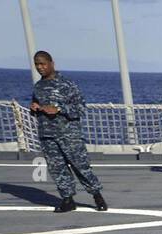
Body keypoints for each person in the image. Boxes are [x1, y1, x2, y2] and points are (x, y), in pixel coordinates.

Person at [30, 51, 106, 213]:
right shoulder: (38, 87)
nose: (40, 67)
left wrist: (58, 109)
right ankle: (67, 199)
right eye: (37, 64)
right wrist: (35, 108)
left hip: (68, 134)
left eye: (43, 63)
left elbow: (80, 108)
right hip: (47, 135)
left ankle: (97, 196)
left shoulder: (66, 84)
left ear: (52, 63)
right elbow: (37, 105)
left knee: (81, 166)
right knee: (57, 168)